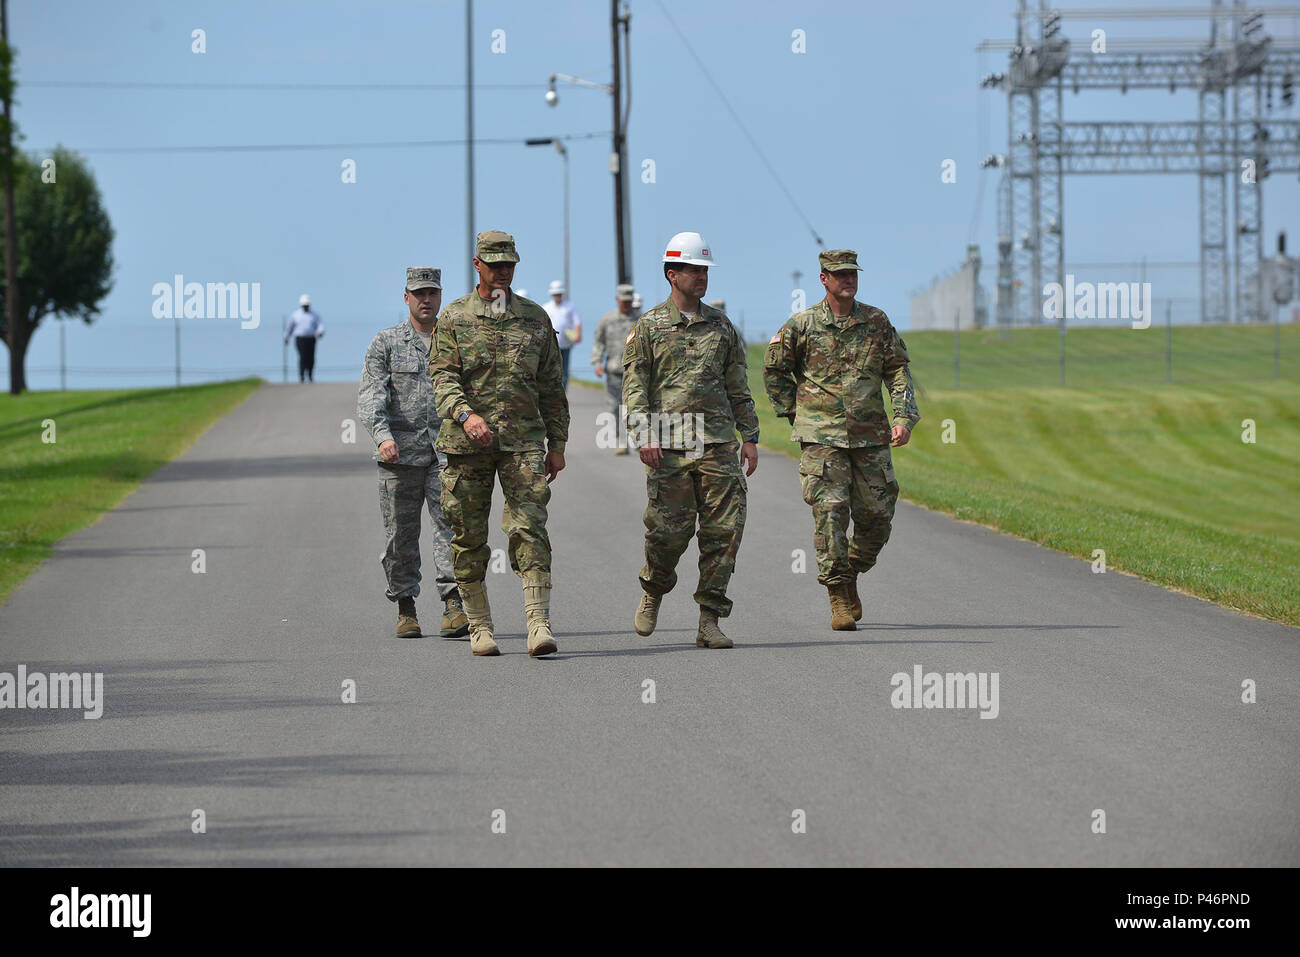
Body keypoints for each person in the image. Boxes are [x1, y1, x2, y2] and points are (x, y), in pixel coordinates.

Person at [762, 248, 920, 631]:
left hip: (871, 436)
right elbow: (774, 370)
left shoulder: (876, 322)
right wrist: (794, 413)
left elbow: (897, 370)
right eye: (839, 274)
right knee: (830, 513)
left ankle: (851, 570)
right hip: (821, 439)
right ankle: (836, 594)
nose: (847, 280)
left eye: (852, 273)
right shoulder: (802, 325)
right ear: (823, 279)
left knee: (878, 516)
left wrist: (903, 417)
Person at [431, 231, 570, 657]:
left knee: (530, 529)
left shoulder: (535, 318)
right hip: (465, 446)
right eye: (494, 264)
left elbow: (551, 384)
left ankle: (538, 623)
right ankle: (479, 627)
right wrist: (465, 415)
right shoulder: (454, 319)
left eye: (509, 264)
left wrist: (558, 442)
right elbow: (442, 377)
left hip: (523, 443)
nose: (503, 272)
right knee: (468, 536)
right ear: (477, 265)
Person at [622, 231, 759, 650]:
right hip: (669, 448)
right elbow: (634, 387)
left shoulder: (721, 327)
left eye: (705, 270)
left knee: (724, 531)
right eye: (693, 270)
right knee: (667, 534)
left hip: (718, 444)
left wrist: (749, 436)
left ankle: (709, 619)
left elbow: (738, 384)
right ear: (671, 274)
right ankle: (653, 588)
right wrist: (643, 434)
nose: (701, 277)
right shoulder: (647, 328)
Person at [357, 268, 470, 641]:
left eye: (432, 293)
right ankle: (405, 605)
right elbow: (373, 394)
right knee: (400, 536)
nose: (426, 300)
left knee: (451, 529)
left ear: (441, 297)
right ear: (406, 297)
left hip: (446, 454)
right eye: (418, 293)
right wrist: (382, 436)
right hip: (398, 457)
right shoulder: (386, 343)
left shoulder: (454, 340)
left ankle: (453, 603)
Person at [590, 282, 638, 455]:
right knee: (613, 407)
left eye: (629, 301)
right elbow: (599, 342)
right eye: (623, 301)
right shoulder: (607, 320)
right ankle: (621, 441)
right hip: (613, 371)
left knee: (634, 407)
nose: (626, 304)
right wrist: (597, 363)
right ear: (617, 300)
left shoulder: (641, 321)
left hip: (635, 373)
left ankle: (637, 440)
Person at [541, 280, 581, 389]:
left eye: (559, 294)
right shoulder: (546, 307)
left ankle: (563, 394)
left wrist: (578, 334)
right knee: (552, 370)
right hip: (552, 345)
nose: (557, 296)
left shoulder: (570, 306)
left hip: (566, 345)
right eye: (555, 294)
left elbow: (577, 322)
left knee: (564, 371)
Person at [285, 293, 324, 382]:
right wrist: (287, 337)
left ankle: (310, 375)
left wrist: (320, 332)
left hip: (311, 339)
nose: (305, 307)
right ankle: (302, 376)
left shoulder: (314, 315)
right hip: (300, 339)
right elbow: (290, 327)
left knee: (311, 357)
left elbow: (320, 325)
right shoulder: (296, 315)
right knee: (303, 357)